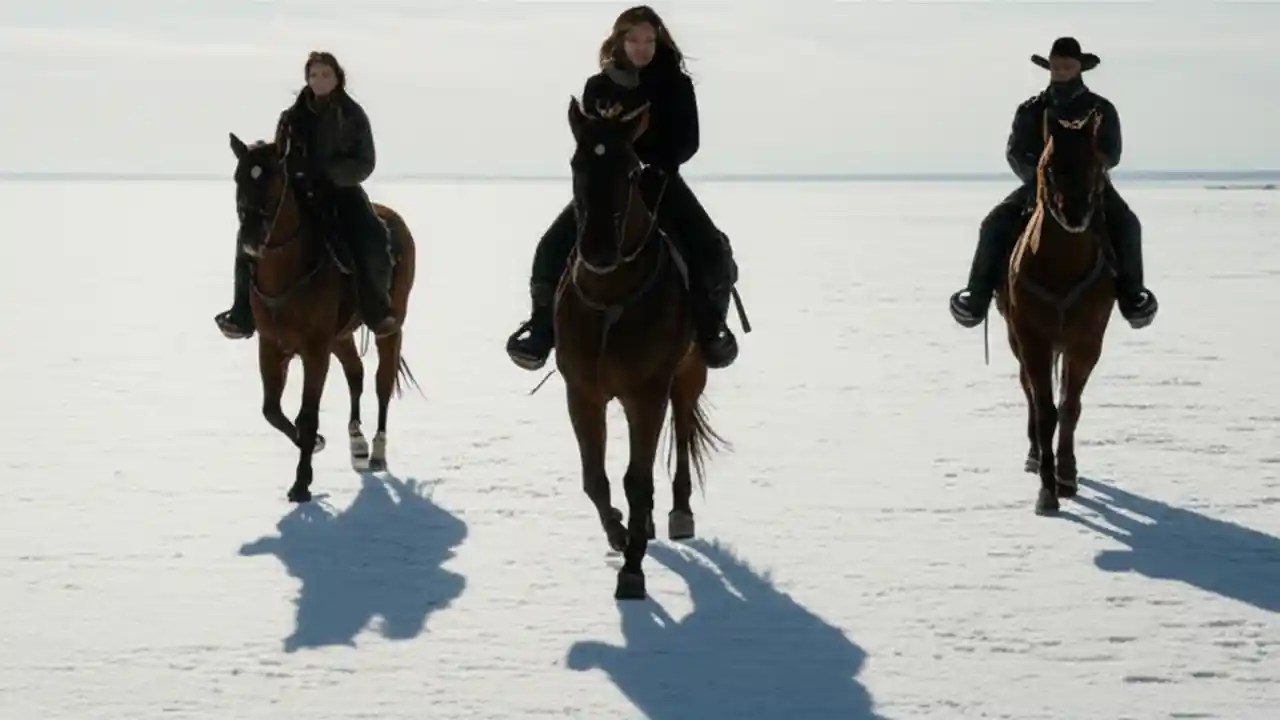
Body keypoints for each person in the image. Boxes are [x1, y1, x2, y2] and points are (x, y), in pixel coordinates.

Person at [505, 5, 741, 371]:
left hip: (660, 182)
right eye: (633, 39)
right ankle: (541, 328)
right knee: (551, 245)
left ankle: (711, 329)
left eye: (648, 39)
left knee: (709, 247)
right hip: (606, 189)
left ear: (659, 40)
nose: (641, 47)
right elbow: (589, 140)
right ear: (619, 42)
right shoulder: (598, 86)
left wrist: (651, 159)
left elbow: (688, 142)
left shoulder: (676, 85)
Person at [948, 37, 1158, 330]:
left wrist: (1086, 172)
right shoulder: (1031, 109)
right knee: (994, 223)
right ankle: (977, 296)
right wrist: (1040, 180)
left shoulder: (1101, 109)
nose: (1061, 71)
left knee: (1127, 223)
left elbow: (1113, 152)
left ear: (1079, 67)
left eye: (1067, 66)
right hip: (1040, 185)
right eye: (1056, 66)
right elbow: (1015, 152)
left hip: (1091, 187)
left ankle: (1132, 295)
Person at [215, 51, 398, 340]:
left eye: (326, 74)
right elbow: (279, 153)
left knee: (371, 235)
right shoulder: (291, 117)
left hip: (341, 192)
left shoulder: (352, 115)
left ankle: (375, 307)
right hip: (299, 192)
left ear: (338, 78)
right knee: (250, 234)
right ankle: (242, 311)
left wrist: (330, 173)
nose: (319, 80)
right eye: (314, 75)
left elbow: (365, 161)